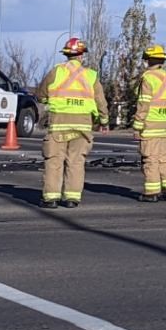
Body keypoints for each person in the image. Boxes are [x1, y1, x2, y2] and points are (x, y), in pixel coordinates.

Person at [33, 37, 109, 209]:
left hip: (59, 123)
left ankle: (51, 198)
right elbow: (101, 101)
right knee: (76, 161)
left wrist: (50, 101)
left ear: (67, 54)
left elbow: (40, 95)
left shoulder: (56, 72)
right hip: (82, 125)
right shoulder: (91, 76)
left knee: (54, 160)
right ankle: (72, 198)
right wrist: (104, 121)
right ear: (82, 55)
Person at [131, 44, 166, 202]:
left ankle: (152, 193)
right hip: (165, 127)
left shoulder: (147, 78)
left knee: (150, 160)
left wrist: (137, 126)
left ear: (148, 60)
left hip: (150, 126)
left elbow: (143, 103)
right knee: (164, 159)